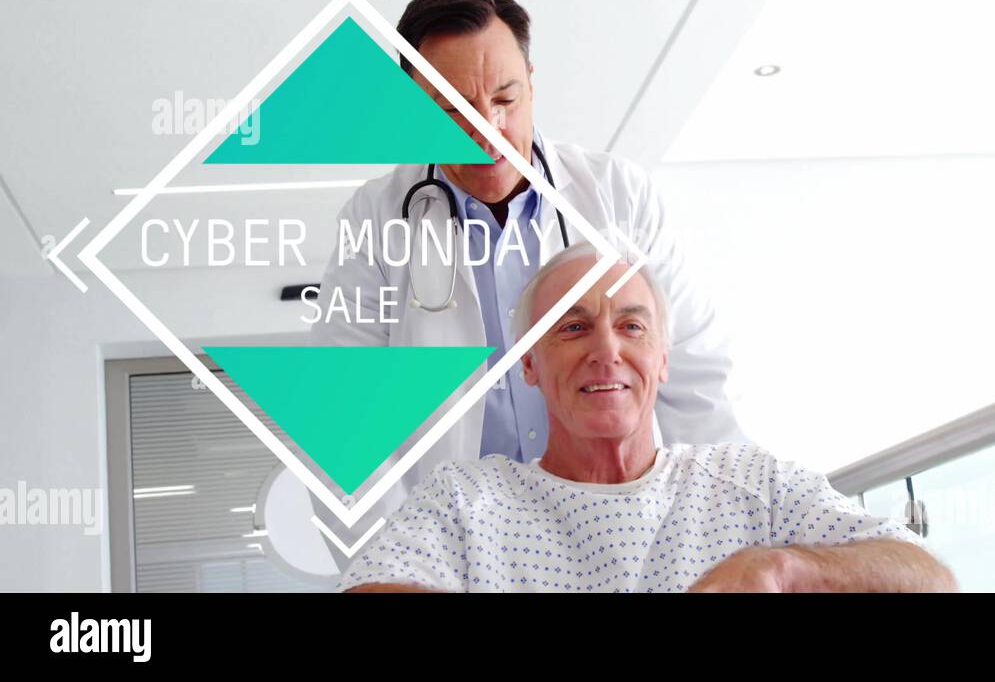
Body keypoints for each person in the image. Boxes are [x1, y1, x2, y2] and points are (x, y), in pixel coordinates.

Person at [310, 0, 745, 559]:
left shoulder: (619, 196)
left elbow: (696, 376)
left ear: (532, 84)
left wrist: (735, 537)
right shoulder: (375, 218)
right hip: (465, 551)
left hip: (620, 525)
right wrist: (395, 569)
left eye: (505, 99)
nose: (486, 129)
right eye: (451, 112)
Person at [339, 244, 957, 592]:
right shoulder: (467, 502)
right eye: (573, 328)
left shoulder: (753, 485)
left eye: (631, 326)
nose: (606, 349)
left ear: (661, 359)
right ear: (529, 364)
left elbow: (929, 580)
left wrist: (782, 569)